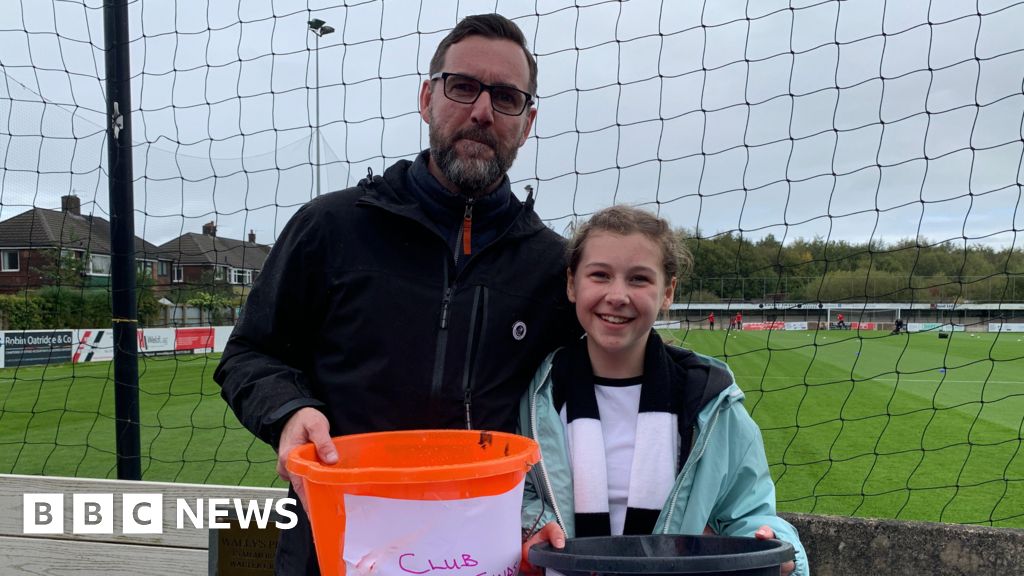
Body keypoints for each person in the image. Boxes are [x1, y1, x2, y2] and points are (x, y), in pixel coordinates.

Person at [214, 14, 579, 574]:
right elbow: (249, 354)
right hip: (331, 553)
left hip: (485, 557)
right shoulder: (330, 229)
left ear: (527, 123)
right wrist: (289, 411)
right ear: (427, 97)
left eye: (506, 97)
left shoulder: (553, 267)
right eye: (463, 87)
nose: (482, 111)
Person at [517, 206, 809, 576]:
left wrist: (775, 550)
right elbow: (519, 496)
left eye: (639, 279)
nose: (617, 295)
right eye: (600, 275)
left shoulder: (712, 403)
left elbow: (750, 513)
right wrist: (530, 528)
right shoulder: (536, 396)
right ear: (573, 284)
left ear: (667, 291)